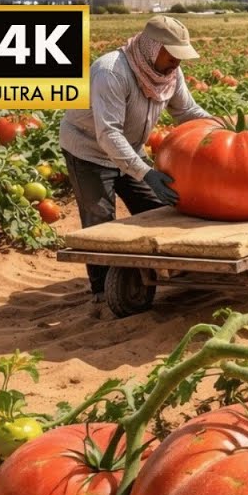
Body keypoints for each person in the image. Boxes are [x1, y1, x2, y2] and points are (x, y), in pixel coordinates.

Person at [59, 15, 212, 299]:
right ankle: (105, 290)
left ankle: (158, 269)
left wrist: (223, 130)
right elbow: (108, 135)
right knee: (100, 222)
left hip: (130, 147)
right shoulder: (112, 72)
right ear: (153, 48)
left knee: (155, 207)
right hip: (89, 150)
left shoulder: (169, 74)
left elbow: (187, 113)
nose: (177, 62)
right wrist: (146, 172)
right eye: (172, 54)